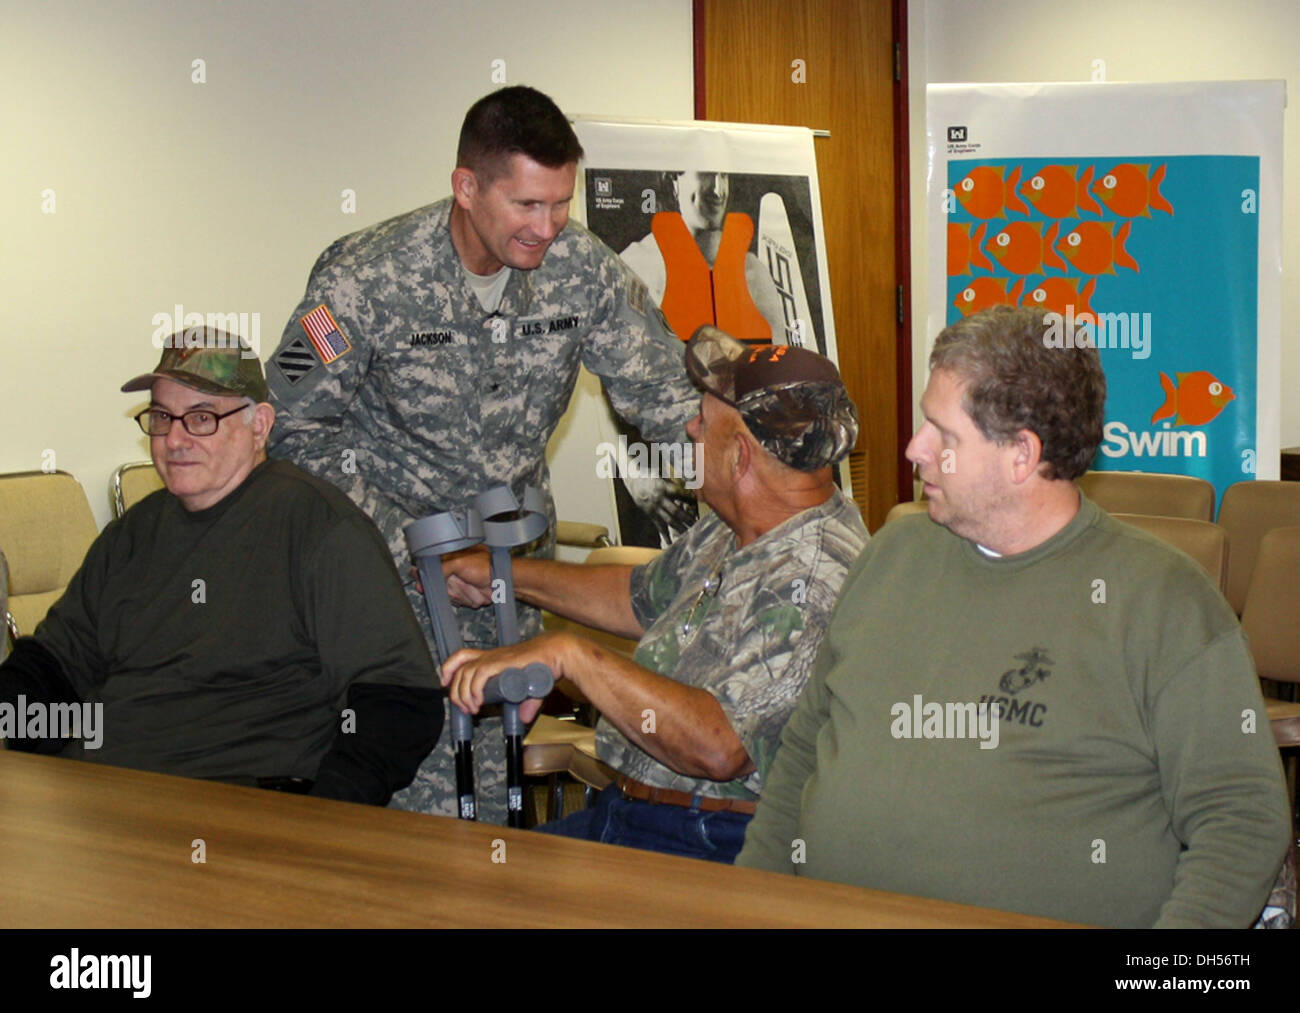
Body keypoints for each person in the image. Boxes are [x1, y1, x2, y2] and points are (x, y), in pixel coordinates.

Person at [737, 304, 1292, 927]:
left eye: (941, 433)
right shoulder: (890, 556)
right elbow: (803, 756)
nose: (913, 448)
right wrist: (751, 904)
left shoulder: (1164, 602)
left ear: (1021, 456)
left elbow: (1241, 819)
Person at [264, 85, 699, 822]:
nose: (548, 226)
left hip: (507, 577)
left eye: (561, 203)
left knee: (492, 786)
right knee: (392, 785)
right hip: (385, 585)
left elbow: (666, 396)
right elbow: (292, 428)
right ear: (466, 187)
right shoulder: (364, 277)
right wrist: (410, 544)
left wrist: (754, 471)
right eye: (526, 205)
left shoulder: (583, 271)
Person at [441, 326, 867, 862]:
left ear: (739, 456)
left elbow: (718, 746)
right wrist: (503, 576)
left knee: (482, 895)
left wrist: (570, 656)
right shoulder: (739, 525)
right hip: (634, 815)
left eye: (704, 421)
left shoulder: (813, 576)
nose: (689, 428)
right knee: (469, 878)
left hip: (708, 844)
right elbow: (638, 596)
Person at [0, 335, 442, 805]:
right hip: (99, 802)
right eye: (162, 417)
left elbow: (399, 700)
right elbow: (51, 666)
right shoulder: (133, 534)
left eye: (201, 418)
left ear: (260, 426)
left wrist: (324, 821)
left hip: (231, 812)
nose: (174, 439)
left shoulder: (316, 527)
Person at [620, 171, 786, 344]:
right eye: (706, 173)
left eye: (723, 175)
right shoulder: (637, 265)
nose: (717, 189)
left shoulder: (753, 272)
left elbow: (778, 361)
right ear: (674, 178)